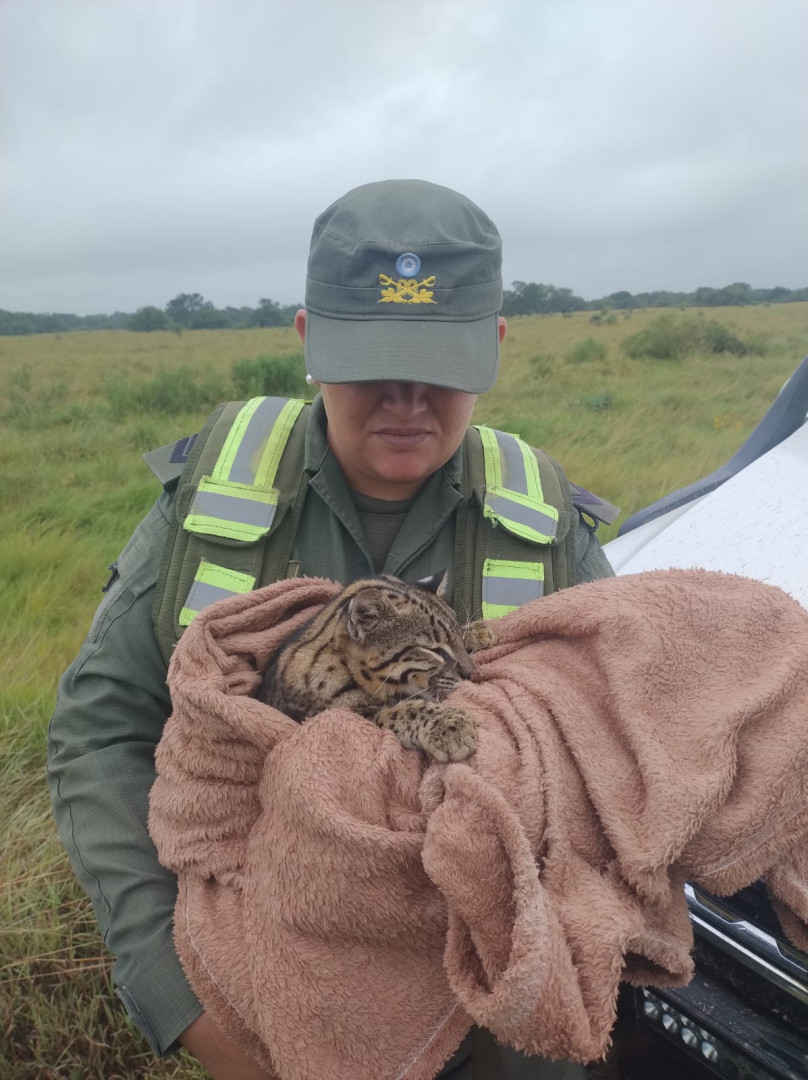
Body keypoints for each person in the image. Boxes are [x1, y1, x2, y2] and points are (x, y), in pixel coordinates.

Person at [47, 179, 615, 1080]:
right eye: (371, 361)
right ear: (309, 340)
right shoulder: (212, 496)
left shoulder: (542, 517)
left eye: (441, 368)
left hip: (505, 1029)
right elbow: (97, 732)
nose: (407, 400)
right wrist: (179, 993)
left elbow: (614, 750)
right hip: (266, 1007)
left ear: (495, 347)